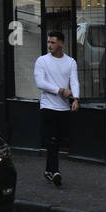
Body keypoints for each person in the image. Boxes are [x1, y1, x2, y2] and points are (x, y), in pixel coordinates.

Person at [35, 30, 80, 186]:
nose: (49, 45)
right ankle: (54, 172)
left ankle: (48, 171)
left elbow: (74, 81)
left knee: (59, 141)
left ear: (61, 43)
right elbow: (40, 83)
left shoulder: (70, 62)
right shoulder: (42, 61)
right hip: (47, 106)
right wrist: (60, 90)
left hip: (63, 108)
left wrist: (76, 99)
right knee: (52, 140)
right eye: (48, 42)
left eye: (53, 42)